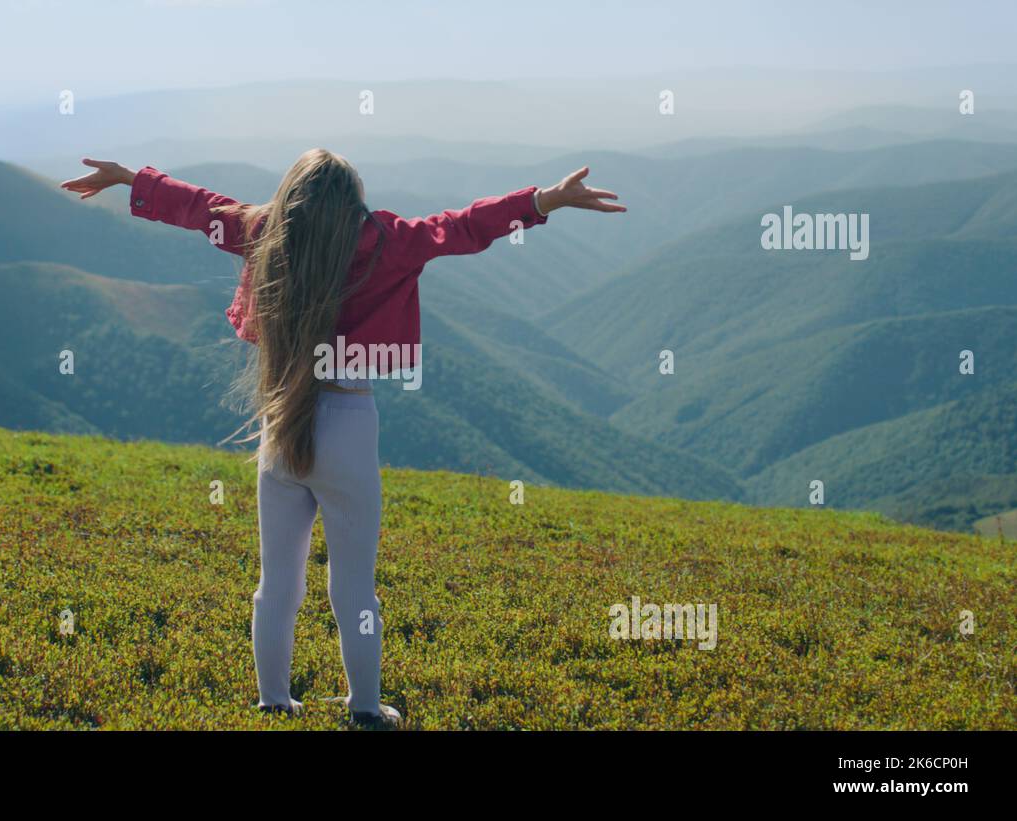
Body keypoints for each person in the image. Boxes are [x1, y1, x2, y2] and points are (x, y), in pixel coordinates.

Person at [61, 149, 625, 728]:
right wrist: (545, 200)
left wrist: (133, 180)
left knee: (276, 582)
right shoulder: (388, 241)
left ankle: (273, 700)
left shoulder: (265, 233)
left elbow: (201, 207)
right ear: (354, 203)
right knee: (354, 584)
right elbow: (462, 227)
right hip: (349, 422)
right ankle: (364, 709)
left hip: (281, 422)